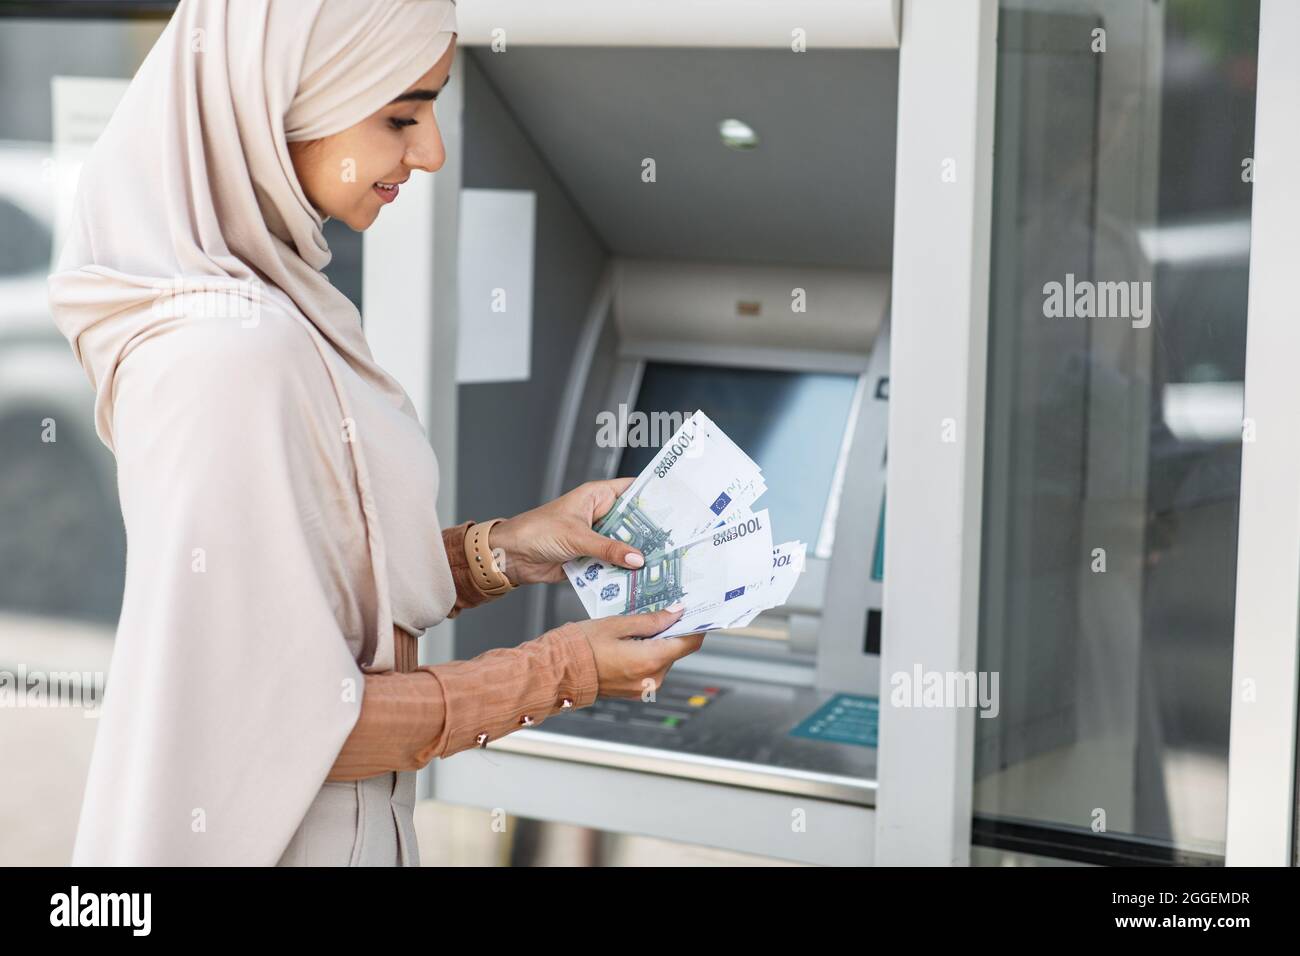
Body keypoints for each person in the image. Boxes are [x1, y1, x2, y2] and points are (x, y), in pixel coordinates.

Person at [46, 0, 703, 867]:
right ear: (282, 99)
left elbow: (301, 597)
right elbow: (285, 717)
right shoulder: (226, 355)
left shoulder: (269, 314)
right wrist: (561, 670)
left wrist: (505, 549)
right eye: (401, 113)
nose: (429, 152)